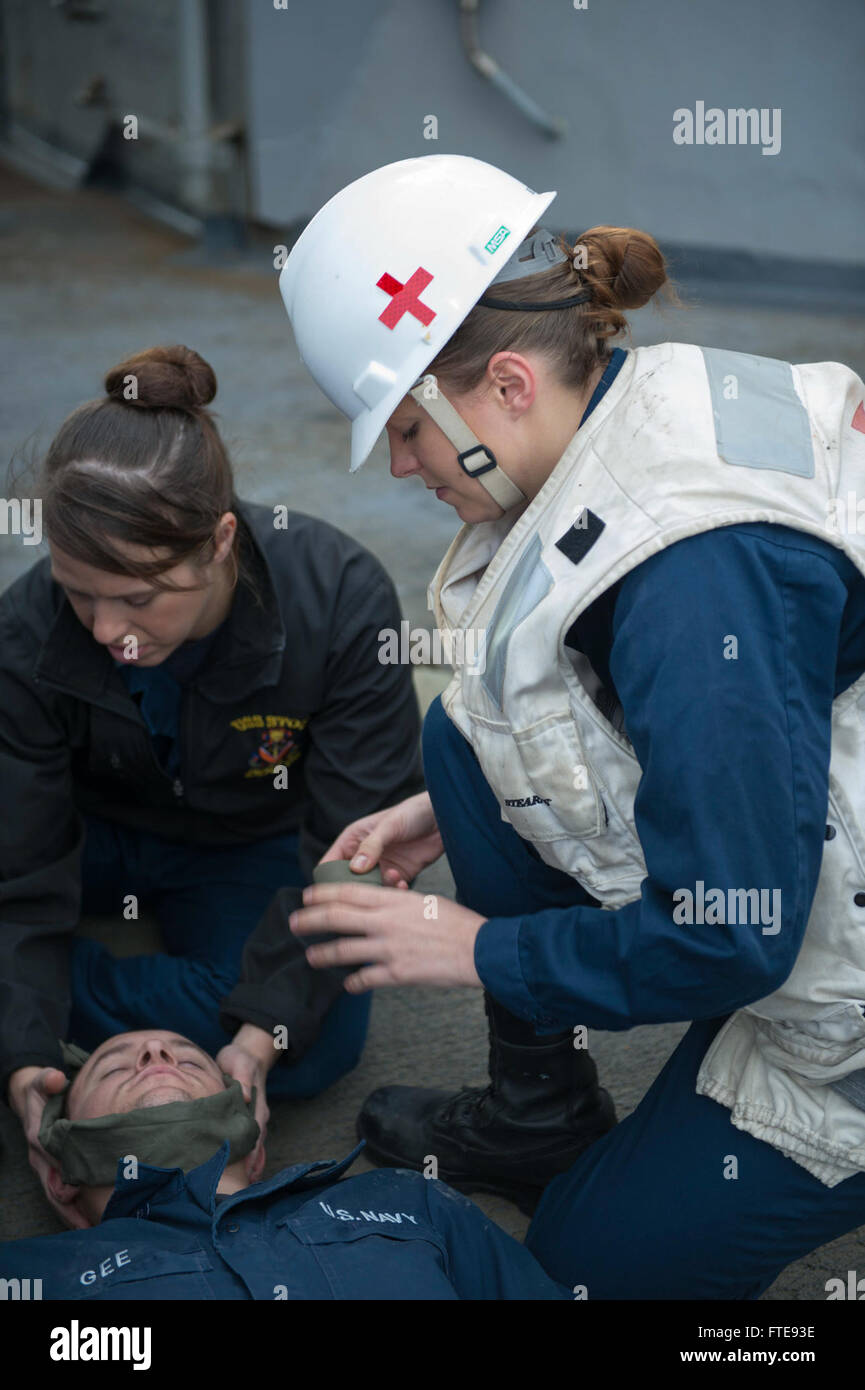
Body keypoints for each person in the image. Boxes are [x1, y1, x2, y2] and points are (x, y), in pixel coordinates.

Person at [268, 153, 865, 1297]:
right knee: (460, 745)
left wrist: (477, 948)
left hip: (835, 999)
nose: (397, 465)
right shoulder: (642, 397)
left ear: (500, 383)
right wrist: (448, 808)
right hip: (805, 814)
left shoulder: (697, 579)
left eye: (404, 428)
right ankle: (541, 1114)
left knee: (584, 1270)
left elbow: (732, 933)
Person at [0, 344, 425, 1231]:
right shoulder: (28, 625)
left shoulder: (338, 596)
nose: (109, 631)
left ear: (222, 539)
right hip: (94, 832)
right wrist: (23, 1061)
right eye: (81, 594)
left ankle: (74, 1006)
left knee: (311, 1041)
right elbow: (24, 865)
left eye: (142, 597)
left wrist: (254, 1036)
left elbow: (349, 855)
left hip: (247, 841)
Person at [0, 1029, 568, 1301]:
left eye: (188, 1057)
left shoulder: (404, 1198)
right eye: (113, 1068)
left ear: (258, 1149)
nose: (155, 1055)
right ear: (60, 1179)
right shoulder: (29, 1277)